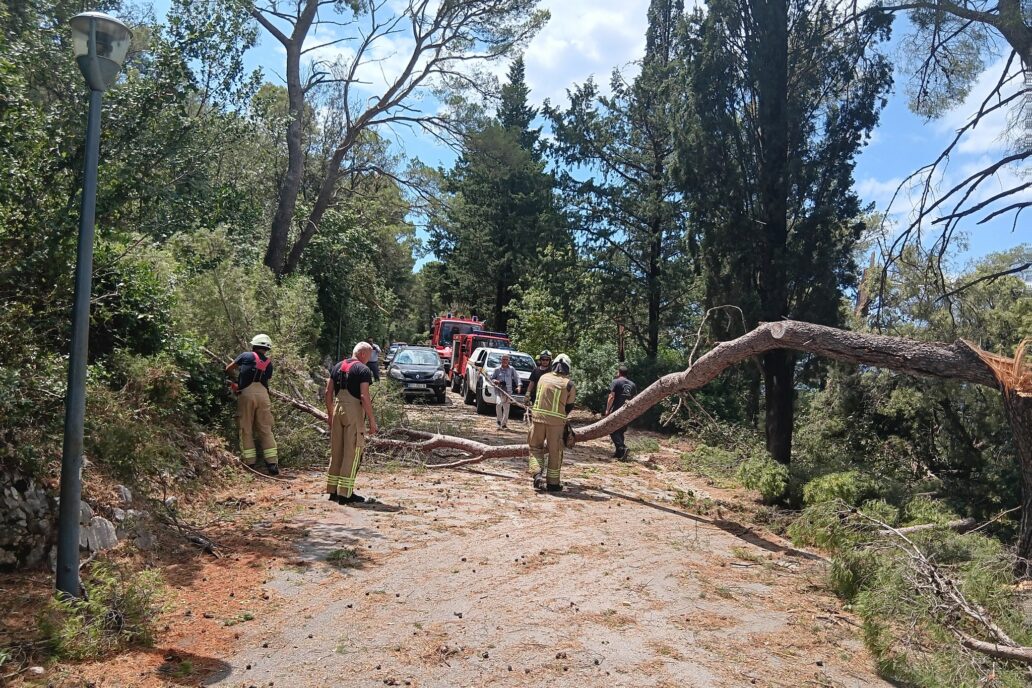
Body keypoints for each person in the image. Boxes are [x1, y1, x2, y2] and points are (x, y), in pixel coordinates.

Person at [324, 342, 379, 504]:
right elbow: (364, 397)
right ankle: (345, 493)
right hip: (353, 412)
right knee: (352, 452)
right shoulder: (363, 370)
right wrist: (371, 420)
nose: (369, 359)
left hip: (338, 409)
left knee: (337, 451)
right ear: (362, 354)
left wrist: (329, 414)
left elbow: (328, 392)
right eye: (369, 355)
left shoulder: (337, 366)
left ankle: (333, 490)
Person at [225, 334, 279, 475]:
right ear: (266, 348)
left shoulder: (245, 355)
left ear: (254, 345)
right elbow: (268, 378)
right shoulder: (268, 363)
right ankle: (272, 464)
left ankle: (251, 464)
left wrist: (236, 381)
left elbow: (228, 368)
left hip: (247, 395)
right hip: (263, 395)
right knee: (265, 429)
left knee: (246, 428)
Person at [528, 353, 576, 493]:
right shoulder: (569, 384)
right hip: (556, 423)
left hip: (537, 418)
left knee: (535, 448)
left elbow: (538, 395)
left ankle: (537, 473)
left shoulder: (543, 377)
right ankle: (553, 484)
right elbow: (569, 406)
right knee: (555, 452)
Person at [605, 364, 637, 461]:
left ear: (619, 372)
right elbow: (635, 399)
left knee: (611, 429)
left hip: (617, 410)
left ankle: (622, 448)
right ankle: (619, 453)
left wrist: (607, 410)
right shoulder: (632, 385)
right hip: (627, 412)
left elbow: (611, 396)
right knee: (620, 431)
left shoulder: (616, 382)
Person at [490, 353, 519, 430]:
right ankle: (499, 420)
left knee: (506, 408)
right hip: (499, 391)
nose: (505, 361)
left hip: (508, 392)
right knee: (498, 404)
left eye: (506, 359)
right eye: (503, 359)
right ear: (501, 360)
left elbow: (517, 378)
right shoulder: (497, 369)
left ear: (508, 360)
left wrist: (519, 386)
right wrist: (496, 381)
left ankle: (504, 424)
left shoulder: (512, 369)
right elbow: (491, 379)